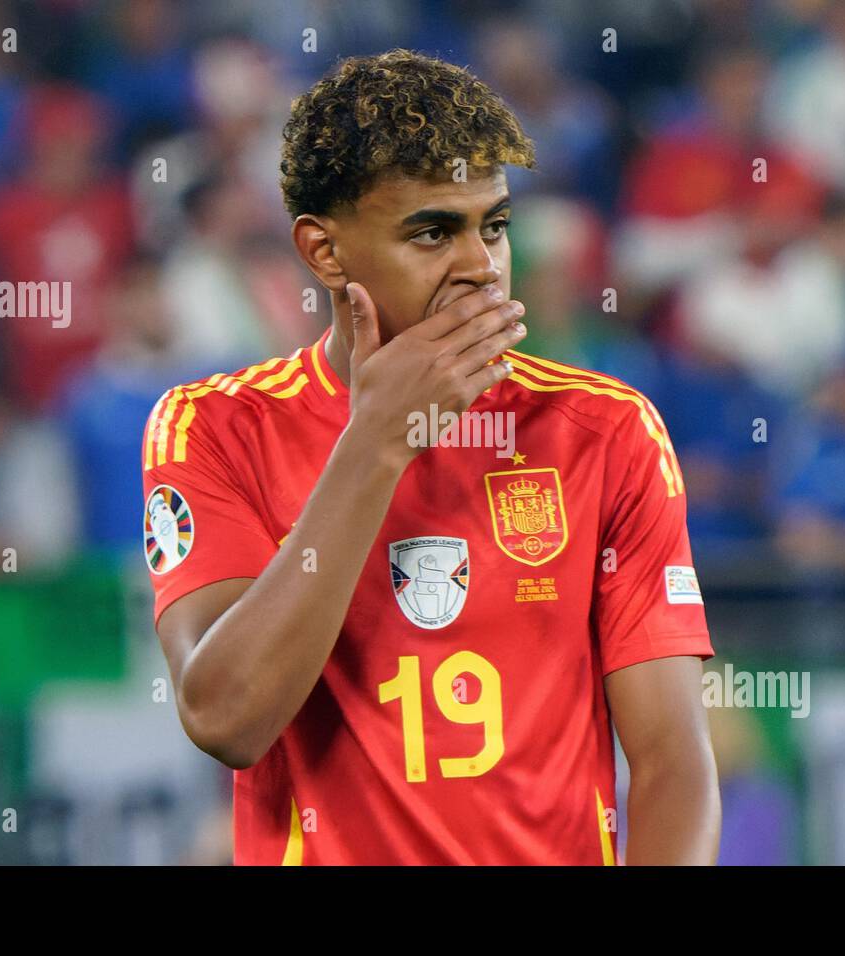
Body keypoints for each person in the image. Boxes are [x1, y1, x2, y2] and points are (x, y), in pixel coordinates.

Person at [141, 49, 718, 865]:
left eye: (495, 225)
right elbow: (226, 717)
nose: (482, 266)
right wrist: (376, 442)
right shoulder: (216, 427)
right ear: (324, 252)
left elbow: (671, 761)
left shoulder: (604, 430)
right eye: (432, 232)